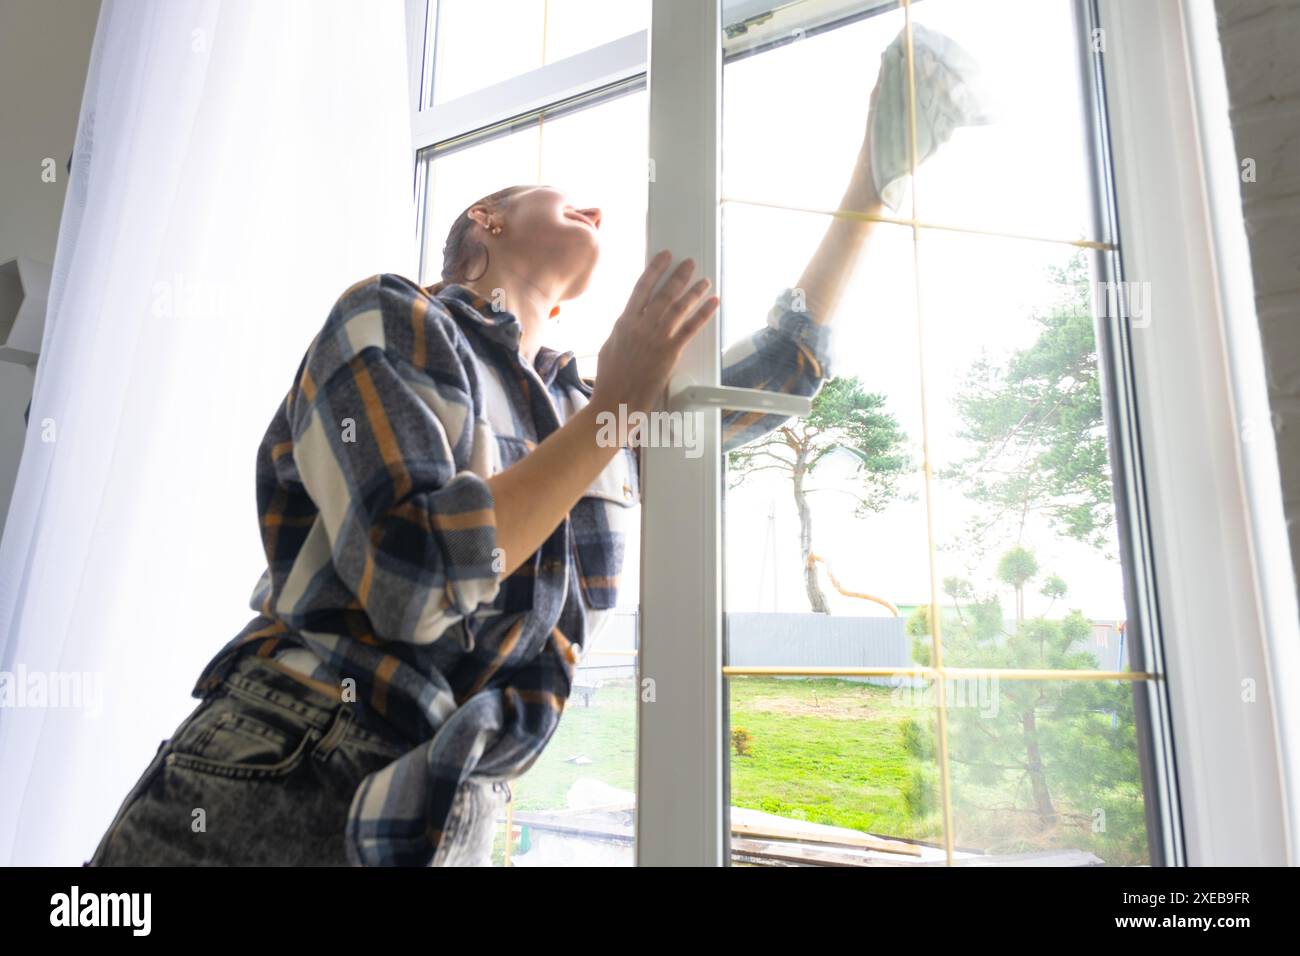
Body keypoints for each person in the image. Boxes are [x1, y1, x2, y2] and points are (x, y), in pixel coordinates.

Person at [86, 22, 986, 866]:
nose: (595, 208)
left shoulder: (583, 411)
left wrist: (873, 183)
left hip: (450, 810)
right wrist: (617, 407)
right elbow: (408, 577)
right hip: (286, 757)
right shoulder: (393, 316)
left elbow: (769, 379)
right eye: (566, 199)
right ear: (488, 216)